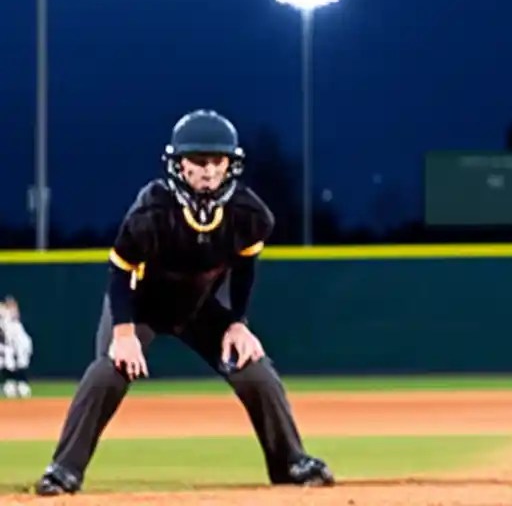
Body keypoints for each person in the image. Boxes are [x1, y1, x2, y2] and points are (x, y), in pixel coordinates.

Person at [34, 110, 334, 496]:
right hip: (141, 306)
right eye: (198, 161)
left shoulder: (249, 215)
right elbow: (120, 272)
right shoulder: (151, 211)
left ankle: (290, 462)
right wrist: (124, 333)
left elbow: (244, 270)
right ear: (179, 165)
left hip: (198, 308)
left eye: (217, 161)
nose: (209, 170)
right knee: (110, 370)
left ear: (231, 164)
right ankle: (63, 470)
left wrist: (238, 323)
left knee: (255, 370)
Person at [1, 296, 34, 398]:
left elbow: (12, 310)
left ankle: (22, 384)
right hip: (8, 345)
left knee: (20, 362)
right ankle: (10, 383)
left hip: (20, 343)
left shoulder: (12, 320)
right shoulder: (5, 319)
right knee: (7, 361)